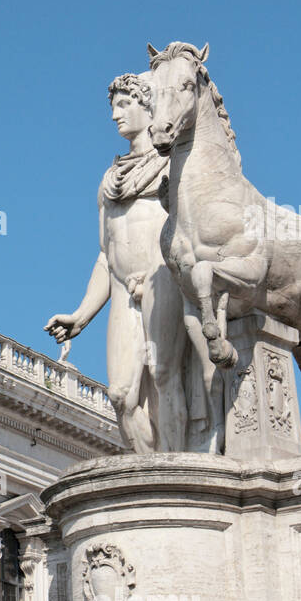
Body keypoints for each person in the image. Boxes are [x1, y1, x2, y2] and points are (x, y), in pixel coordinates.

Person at [45, 71, 199, 453]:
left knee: (164, 374)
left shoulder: (173, 166)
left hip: (162, 277)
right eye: (113, 107)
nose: (116, 115)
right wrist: (81, 315)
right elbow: (106, 254)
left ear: (149, 106)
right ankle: (151, 471)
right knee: (120, 395)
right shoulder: (109, 180)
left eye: (124, 104)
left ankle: (176, 469)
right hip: (122, 289)